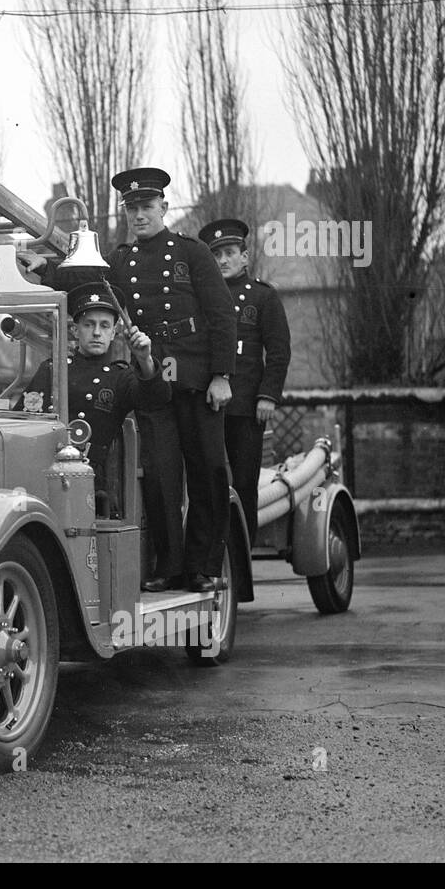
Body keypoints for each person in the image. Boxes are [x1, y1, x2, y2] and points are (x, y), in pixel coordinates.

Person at [106, 167, 237, 593]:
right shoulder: (122, 260)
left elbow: (221, 313)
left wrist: (221, 375)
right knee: (161, 476)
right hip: (154, 376)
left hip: (198, 377)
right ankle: (171, 564)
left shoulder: (192, 253)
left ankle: (204, 565)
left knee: (208, 471)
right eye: (132, 209)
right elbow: (86, 283)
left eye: (146, 207)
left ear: (164, 207)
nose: (139, 215)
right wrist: (45, 268)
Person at [17, 284, 169, 510]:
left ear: (113, 333)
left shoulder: (121, 376)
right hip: (46, 476)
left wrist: (145, 360)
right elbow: (24, 421)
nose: (97, 332)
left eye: (104, 325)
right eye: (89, 324)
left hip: (98, 486)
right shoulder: (52, 370)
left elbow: (157, 400)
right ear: (75, 331)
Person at [199, 219, 292, 547]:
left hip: (246, 407)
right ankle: (212, 549)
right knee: (208, 479)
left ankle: (243, 552)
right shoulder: (202, 299)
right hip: (206, 406)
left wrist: (268, 396)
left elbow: (278, 351)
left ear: (245, 256)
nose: (222, 260)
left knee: (245, 480)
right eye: (216, 255)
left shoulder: (262, 297)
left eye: (229, 252)